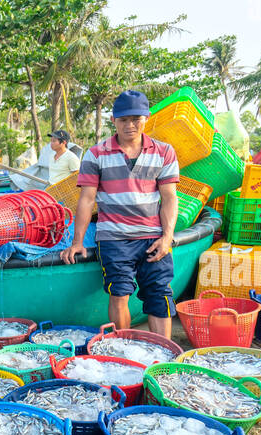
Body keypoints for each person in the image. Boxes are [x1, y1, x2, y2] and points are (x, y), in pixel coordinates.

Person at [61, 90, 180, 338]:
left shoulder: (164, 151)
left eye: (136, 119)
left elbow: (169, 197)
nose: (130, 125)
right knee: (119, 293)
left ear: (147, 118)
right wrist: (77, 242)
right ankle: (124, 349)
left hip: (153, 237)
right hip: (114, 238)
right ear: (113, 120)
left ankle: (164, 352)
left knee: (160, 293)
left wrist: (167, 238)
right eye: (123, 119)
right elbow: (87, 200)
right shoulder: (96, 154)